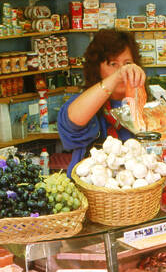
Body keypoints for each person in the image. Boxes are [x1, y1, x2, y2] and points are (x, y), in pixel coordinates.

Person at [58, 29, 148, 171]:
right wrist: (116, 77)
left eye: (127, 63)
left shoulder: (145, 105)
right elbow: (72, 121)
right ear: (97, 68)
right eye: (113, 64)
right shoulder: (84, 102)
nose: (122, 70)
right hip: (91, 190)